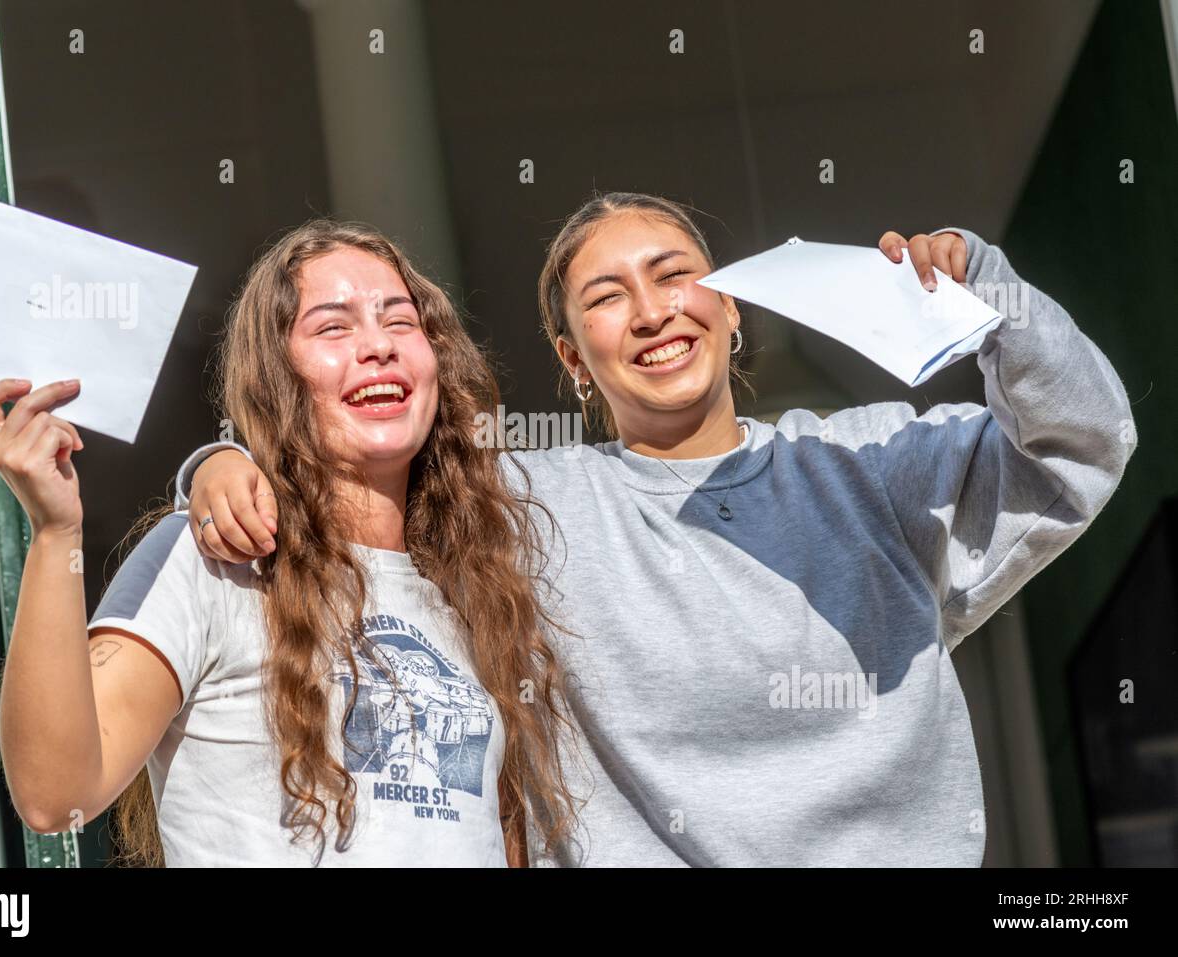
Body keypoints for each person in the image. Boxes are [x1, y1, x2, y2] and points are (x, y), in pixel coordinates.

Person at [170, 192, 1137, 866]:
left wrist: (995, 301)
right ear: (573, 359)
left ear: (729, 308)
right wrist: (216, 462)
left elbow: (1080, 445)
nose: (650, 312)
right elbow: (351, 442)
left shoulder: (876, 468)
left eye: (674, 274)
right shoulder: (520, 506)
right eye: (604, 297)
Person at [0, 219, 577, 867]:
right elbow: (54, 795)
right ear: (277, 379)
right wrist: (54, 531)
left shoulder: (479, 582)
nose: (376, 345)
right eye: (333, 326)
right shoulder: (208, 555)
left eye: (401, 321)